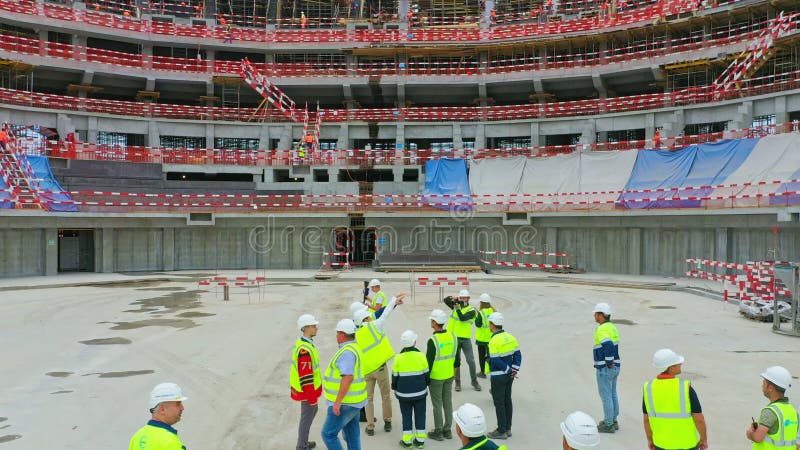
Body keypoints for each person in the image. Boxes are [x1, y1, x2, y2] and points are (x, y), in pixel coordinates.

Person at [353, 291, 405, 436]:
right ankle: (387, 422)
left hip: (366, 371)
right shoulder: (375, 325)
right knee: (385, 396)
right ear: (366, 318)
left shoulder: (356, 334)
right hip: (380, 369)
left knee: (368, 399)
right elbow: (385, 313)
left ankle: (370, 427)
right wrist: (394, 299)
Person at [643, 349, 708, 450]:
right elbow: (699, 419)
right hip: (687, 445)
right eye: (677, 362)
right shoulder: (685, 387)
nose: (680, 363)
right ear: (671, 367)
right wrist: (703, 440)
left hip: (661, 444)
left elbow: (646, 420)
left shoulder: (648, 388)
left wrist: (650, 440)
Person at [321, 319, 367, 450]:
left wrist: (337, 402)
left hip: (345, 403)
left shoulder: (347, 352)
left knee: (328, 434)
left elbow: (348, 377)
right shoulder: (355, 347)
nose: (336, 336)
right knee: (352, 435)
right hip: (355, 402)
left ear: (342, 335)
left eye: (337, 333)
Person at [484, 312, 521, 440]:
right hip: (509, 376)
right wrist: (514, 370)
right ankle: (508, 428)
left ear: (492, 324)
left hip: (498, 376)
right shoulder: (511, 337)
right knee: (507, 400)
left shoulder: (493, 340)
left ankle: (501, 430)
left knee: (499, 403)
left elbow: (495, 360)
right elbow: (518, 355)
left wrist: (508, 370)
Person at [392, 330, 430, 448]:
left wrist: (394, 388)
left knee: (406, 416)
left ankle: (407, 442)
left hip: (403, 395)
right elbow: (426, 374)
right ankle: (420, 441)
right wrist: (426, 384)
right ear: (414, 342)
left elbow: (394, 376)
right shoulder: (421, 356)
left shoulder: (398, 358)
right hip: (420, 393)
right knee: (420, 415)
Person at [745, 366, 798, 449]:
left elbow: (758, 438)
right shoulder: (793, 412)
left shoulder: (770, 411)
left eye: (764, 383)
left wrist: (750, 434)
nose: (762, 386)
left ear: (770, 388)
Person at [291, 314, 322, 450]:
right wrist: (311, 397)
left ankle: (303, 442)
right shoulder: (304, 350)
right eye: (314, 326)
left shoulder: (306, 344)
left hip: (308, 391)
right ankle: (302, 446)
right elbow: (306, 377)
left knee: (311, 413)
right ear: (306, 328)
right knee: (306, 417)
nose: (316, 328)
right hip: (307, 391)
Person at [426, 308, 457, 442]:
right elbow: (457, 360)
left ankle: (438, 431)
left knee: (437, 405)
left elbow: (429, 362)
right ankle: (447, 430)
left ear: (434, 323)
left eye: (432, 321)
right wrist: (453, 374)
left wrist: (425, 379)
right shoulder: (453, 337)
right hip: (449, 376)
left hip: (436, 378)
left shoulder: (433, 340)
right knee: (447, 403)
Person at [129, 382, 188, 450]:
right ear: (162, 409)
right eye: (178, 404)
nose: (182, 408)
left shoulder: (137, 436)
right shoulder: (169, 440)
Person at [444, 290, 480, 392]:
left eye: (466, 298)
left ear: (468, 299)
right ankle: (457, 382)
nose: (464, 299)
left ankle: (474, 381)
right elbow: (445, 300)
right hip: (454, 338)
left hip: (465, 339)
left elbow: (463, 318)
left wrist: (457, 308)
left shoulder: (472, 310)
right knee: (457, 362)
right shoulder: (456, 305)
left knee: (471, 360)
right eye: (462, 298)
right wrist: (454, 298)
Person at [593, 302, 620, 433]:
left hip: (605, 368)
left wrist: (609, 362)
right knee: (613, 393)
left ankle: (608, 424)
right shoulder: (612, 327)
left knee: (606, 396)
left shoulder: (602, 329)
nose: (594, 316)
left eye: (595, 314)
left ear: (600, 315)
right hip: (616, 367)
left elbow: (608, 345)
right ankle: (613, 420)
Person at [474, 293, 495, 379]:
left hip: (482, 339)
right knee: (491, 356)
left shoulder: (481, 313)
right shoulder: (494, 311)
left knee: (481, 356)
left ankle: (483, 372)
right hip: (491, 338)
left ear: (481, 303)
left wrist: (476, 316)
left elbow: (478, 324)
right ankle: (492, 371)